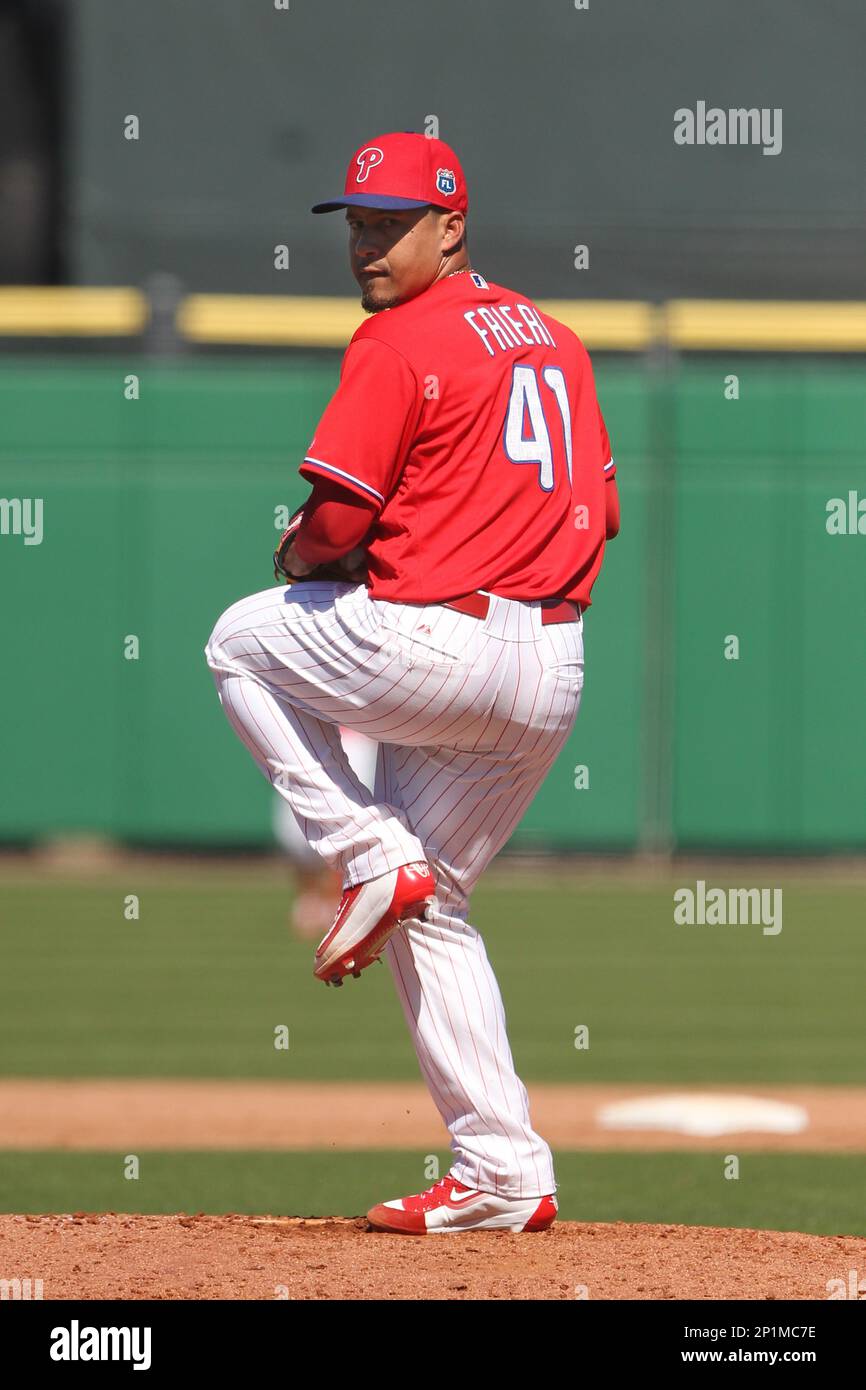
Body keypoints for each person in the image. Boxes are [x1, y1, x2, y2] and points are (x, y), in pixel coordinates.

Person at [204, 130, 620, 1235]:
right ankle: (502, 1169)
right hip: (553, 665)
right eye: (356, 223)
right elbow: (603, 513)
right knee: (436, 908)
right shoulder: (557, 340)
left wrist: (299, 553)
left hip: (438, 644)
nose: (367, 244)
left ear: (452, 225)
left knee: (238, 639)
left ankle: (360, 848)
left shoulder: (397, 339)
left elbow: (338, 519)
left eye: (392, 224)